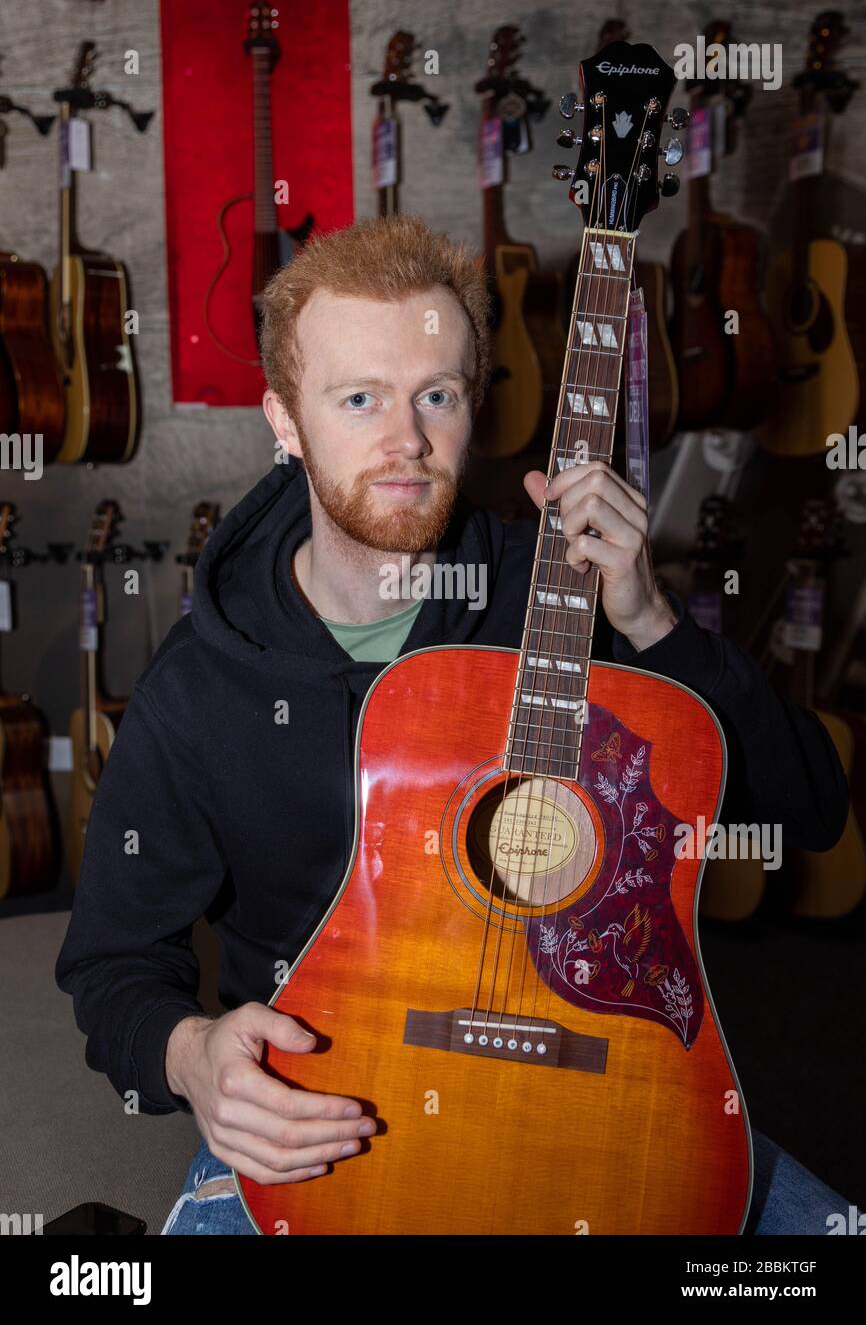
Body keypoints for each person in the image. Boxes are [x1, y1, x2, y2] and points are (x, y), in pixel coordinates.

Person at [56, 215, 851, 1236]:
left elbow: (805, 806)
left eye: (436, 394)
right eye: (358, 399)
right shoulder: (201, 685)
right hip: (338, 1113)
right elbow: (114, 964)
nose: (406, 442)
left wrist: (652, 620)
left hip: (605, 1085)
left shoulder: (565, 596)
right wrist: (194, 1056)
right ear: (284, 420)